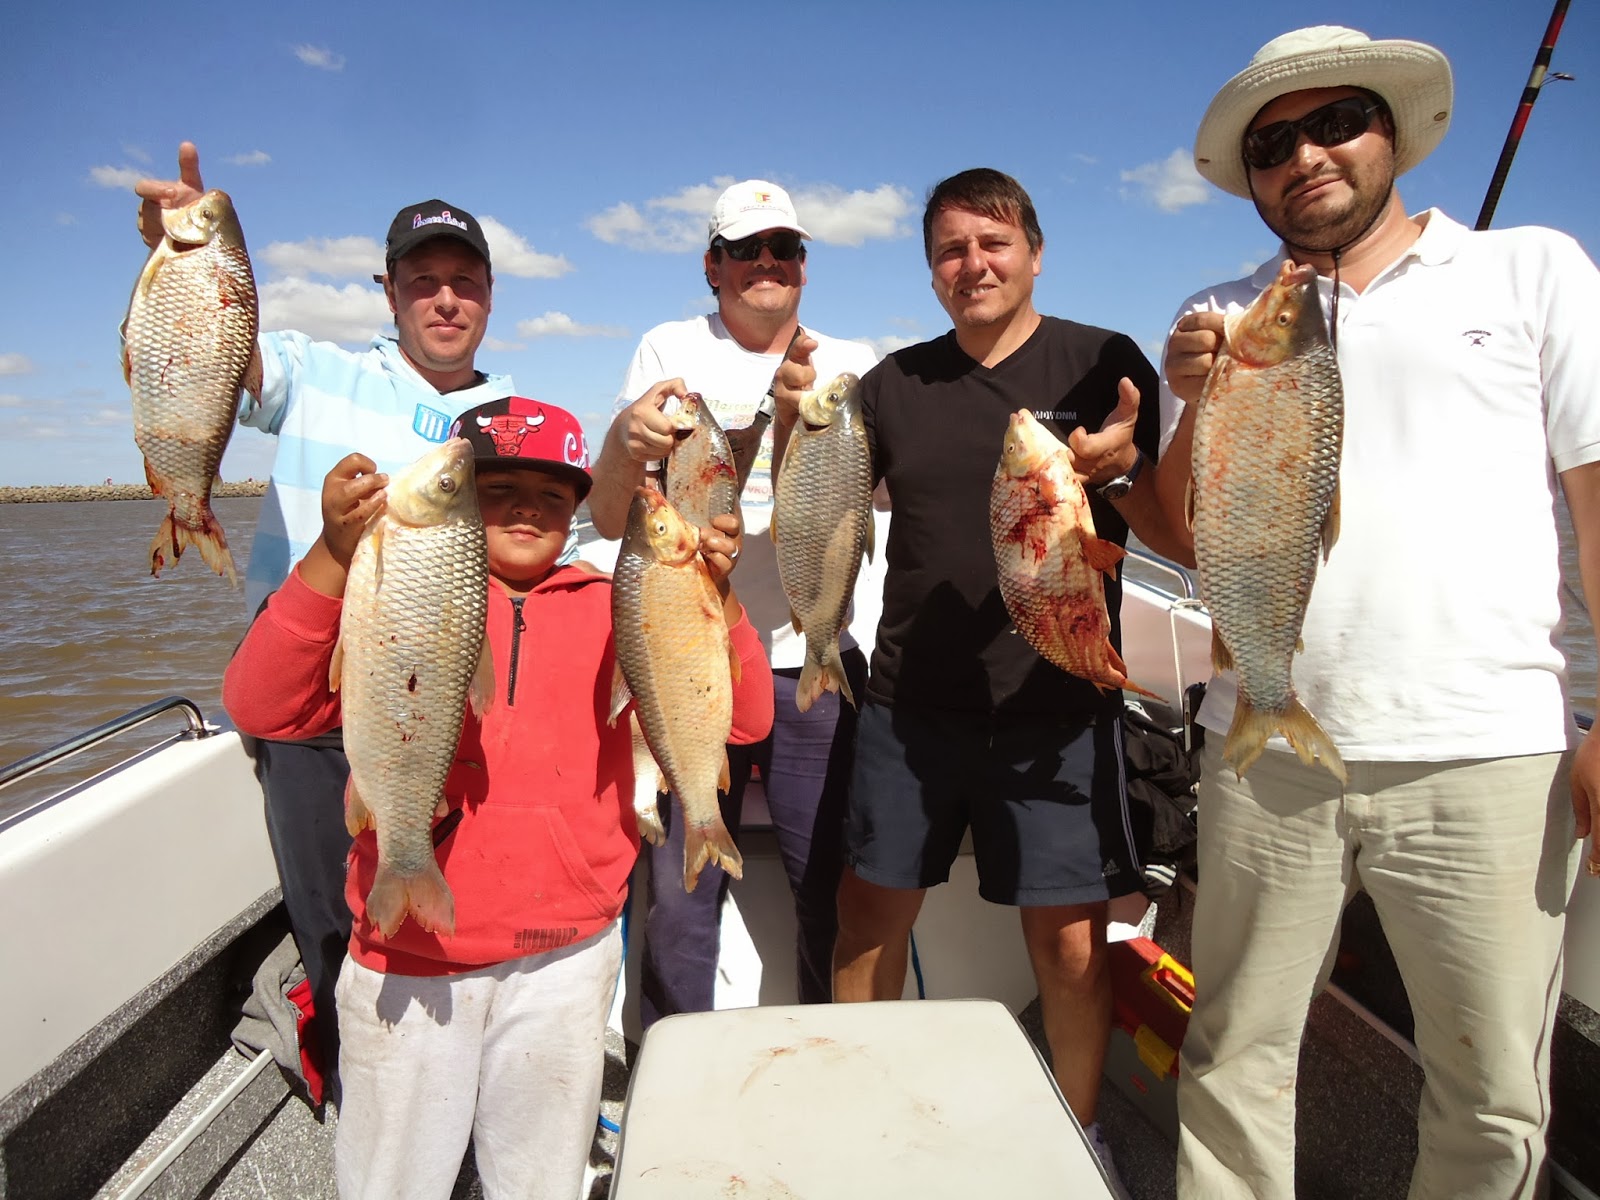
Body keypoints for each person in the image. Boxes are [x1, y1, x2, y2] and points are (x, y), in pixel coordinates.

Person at [1157, 26, 1600, 1199]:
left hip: (1490, 747)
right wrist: (1196, 401)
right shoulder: (1218, 311)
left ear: (1390, 134)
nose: (1303, 155)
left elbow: (1594, 505)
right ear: (1250, 175)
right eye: (1270, 144)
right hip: (1262, 759)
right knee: (1233, 1055)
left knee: (1494, 1093)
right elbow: (1175, 530)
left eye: (1332, 123)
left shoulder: (1533, 270)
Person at [221, 396, 774, 1198]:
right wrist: (332, 558)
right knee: (393, 1180)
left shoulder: (616, 602)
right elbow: (259, 704)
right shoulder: (394, 584)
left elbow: (745, 718)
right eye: (494, 488)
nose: (526, 507)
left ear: (581, 508)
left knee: (540, 1176)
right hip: (410, 951)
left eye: (551, 494)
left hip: (569, 951)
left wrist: (713, 595)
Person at [829, 167, 1187, 1195]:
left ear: (1034, 251)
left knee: (1071, 947)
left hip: (1059, 705)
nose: (972, 265)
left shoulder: (1104, 362)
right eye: (950, 250)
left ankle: (1077, 1137)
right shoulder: (891, 385)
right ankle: (858, 1113)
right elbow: (825, 510)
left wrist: (1118, 471)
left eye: (992, 244)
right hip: (909, 703)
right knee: (867, 918)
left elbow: (1170, 529)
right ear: (931, 270)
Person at [135, 144, 514, 1086]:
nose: (445, 300)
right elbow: (224, 358)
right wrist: (195, 268)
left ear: (490, 296)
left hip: (437, 701)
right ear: (388, 293)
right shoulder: (314, 372)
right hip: (308, 702)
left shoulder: (512, 422)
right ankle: (354, 1083)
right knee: (331, 918)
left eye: (464, 282)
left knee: (451, 906)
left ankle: (444, 1077)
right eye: (423, 281)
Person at [588, 179, 883, 1022]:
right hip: (689, 659)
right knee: (682, 902)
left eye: (784, 249)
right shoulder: (666, 350)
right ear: (712, 265)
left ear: (803, 267)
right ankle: (670, 1067)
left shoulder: (851, 360)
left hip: (806, 661)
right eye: (746, 249)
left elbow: (874, 496)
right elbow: (614, 514)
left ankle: (836, 1058)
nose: (767, 264)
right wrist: (620, 442)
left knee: (828, 883)